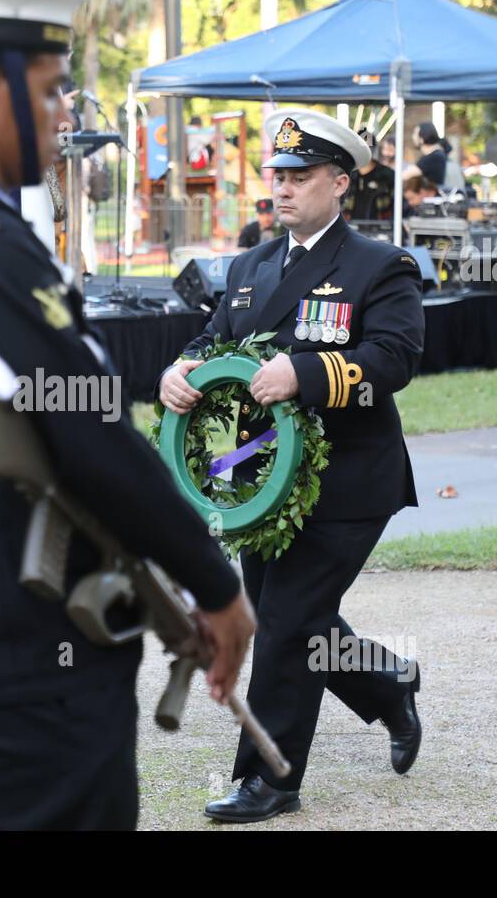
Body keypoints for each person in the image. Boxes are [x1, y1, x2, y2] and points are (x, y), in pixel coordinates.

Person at [0, 0, 256, 831]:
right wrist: (216, 585)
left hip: (23, 614)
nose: (63, 118)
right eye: (48, 95)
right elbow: (88, 430)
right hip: (35, 631)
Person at [159, 109, 425, 822]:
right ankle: (386, 683)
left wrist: (304, 375)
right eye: (276, 176)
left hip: (348, 481)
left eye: (299, 177)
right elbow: (211, 340)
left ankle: (269, 778)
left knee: (284, 622)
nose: (281, 188)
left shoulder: (381, 265)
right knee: (294, 619)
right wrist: (180, 371)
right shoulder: (249, 266)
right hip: (262, 486)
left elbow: (394, 361)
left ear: (339, 183)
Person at [343, 128, 395, 222]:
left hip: (381, 229)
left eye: (368, 147)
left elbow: (398, 205)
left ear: (374, 149)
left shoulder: (388, 175)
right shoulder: (347, 175)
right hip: (351, 228)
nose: (365, 152)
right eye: (360, 148)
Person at [403, 121, 448, 188]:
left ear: (422, 139)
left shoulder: (434, 157)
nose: (413, 137)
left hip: (429, 197)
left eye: (415, 134)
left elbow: (405, 176)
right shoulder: (434, 155)